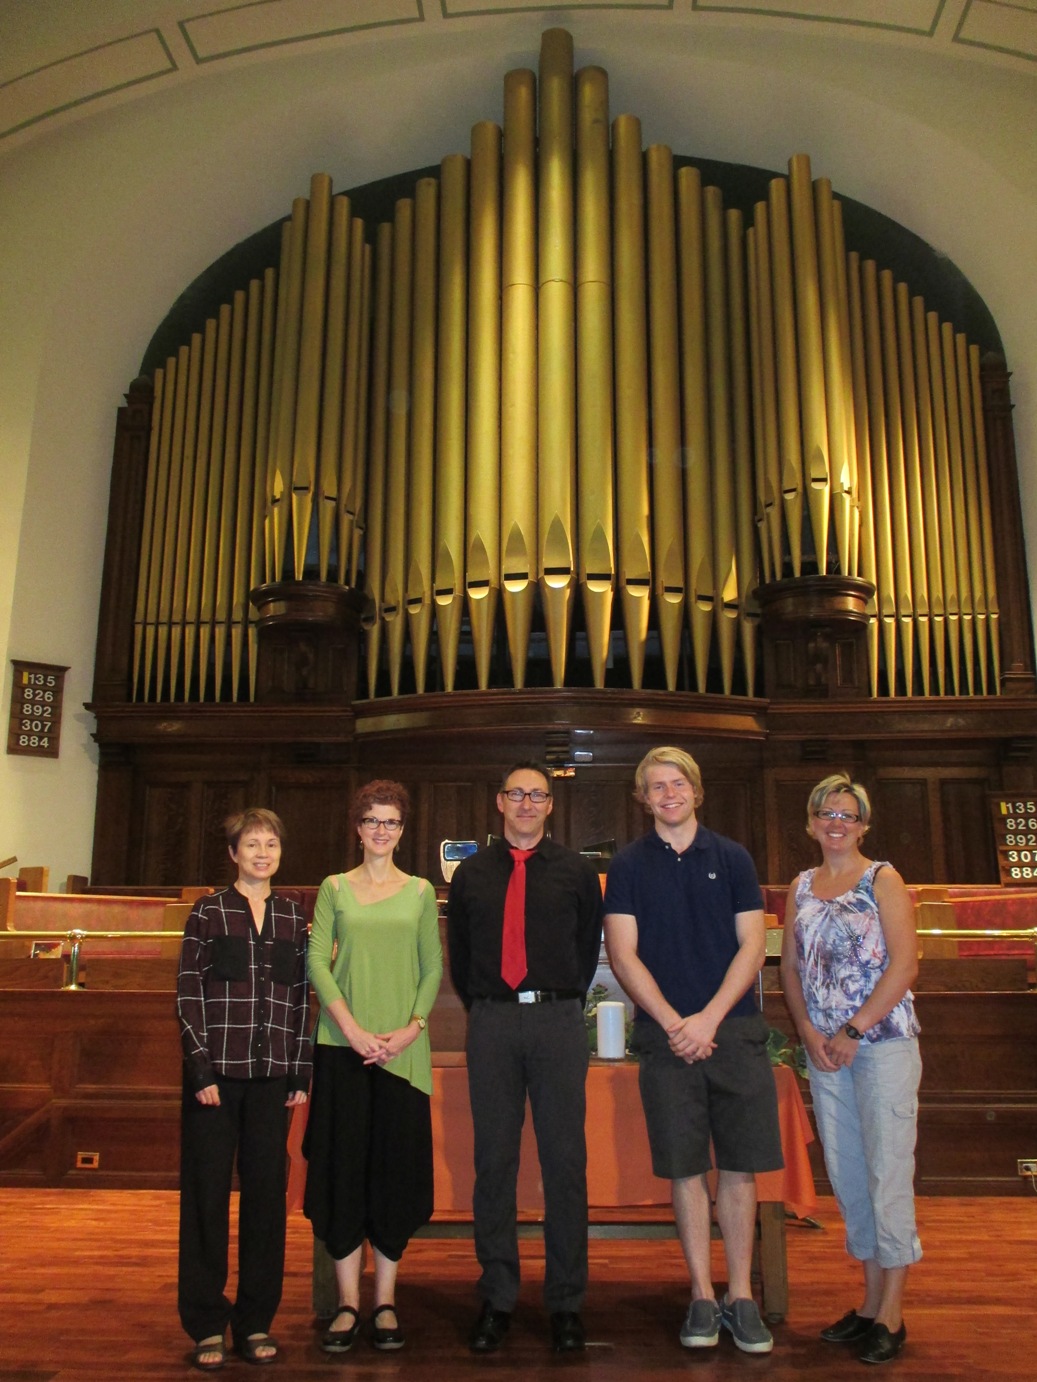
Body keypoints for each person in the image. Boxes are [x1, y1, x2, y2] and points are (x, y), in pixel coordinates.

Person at [603, 746, 782, 1356]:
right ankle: (702, 1294)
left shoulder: (732, 857)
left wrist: (707, 1018)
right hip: (664, 1033)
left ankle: (741, 1295)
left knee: (737, 1166)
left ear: (696, 791)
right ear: (643, 798)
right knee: (684, 1170)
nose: (668, 794)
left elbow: (753, 945)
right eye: (655, 787)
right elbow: (623, 955)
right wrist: (676, 1021)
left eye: (677, 784)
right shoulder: (627, 866)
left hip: (732, 1030)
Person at [446, 761, 603, 1354]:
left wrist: (553, 997)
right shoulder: (472, 874)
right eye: (517, 794)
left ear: (550, 805)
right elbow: (460, 954)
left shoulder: (576, 872)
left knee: (565, 1163)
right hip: (490, 1020)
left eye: (538, 795)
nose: (527, 803)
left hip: (558, 1021)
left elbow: (586, 950)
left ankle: (565, 1301)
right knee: (495, 1163)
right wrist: (492, 1003)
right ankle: (497, 1297)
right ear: (500, 801)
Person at [781, 773, 921, 1365]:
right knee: (849, 1176)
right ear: (811, 823)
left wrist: (853, 1029)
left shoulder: (882, 878)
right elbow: (788, 966)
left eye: (848, 814)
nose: (836, 822)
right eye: (826, 813)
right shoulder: (801, 886)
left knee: (888, 1173)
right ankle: (867, 1304)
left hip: (881, 1044)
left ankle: (892, 1311)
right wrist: (811, 1033)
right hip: (825, 1052)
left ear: (863, 824)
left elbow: (906, 966)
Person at [303, 780, 442, 1354]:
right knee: (341, 1176)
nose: (382, 831)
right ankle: (347, 1303)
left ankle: (384, 1299)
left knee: (392, 1177)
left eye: (391, 822)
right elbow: (316, 960)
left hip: (402, 1056)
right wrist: (354, 1031)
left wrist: (410, 1028)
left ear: (401, 831)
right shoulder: (333, 888)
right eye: (372, 821)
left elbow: (431, 967)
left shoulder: (420, 891)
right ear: (358, 828)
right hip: (343, 1050)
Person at [176, 808, 311, 1372]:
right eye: (251, 844)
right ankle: (206, 1322)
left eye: (271, 844)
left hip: (272, 1081)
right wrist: (200, 1070)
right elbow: (187, 995)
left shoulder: (293, 919)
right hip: (215, 1081)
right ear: (233, 853)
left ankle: (255, 1321)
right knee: (206, 1201)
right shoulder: (207, 912)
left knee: (265, 1204)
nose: (262, 852)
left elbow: (305, 1000)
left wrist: (300, 1074)